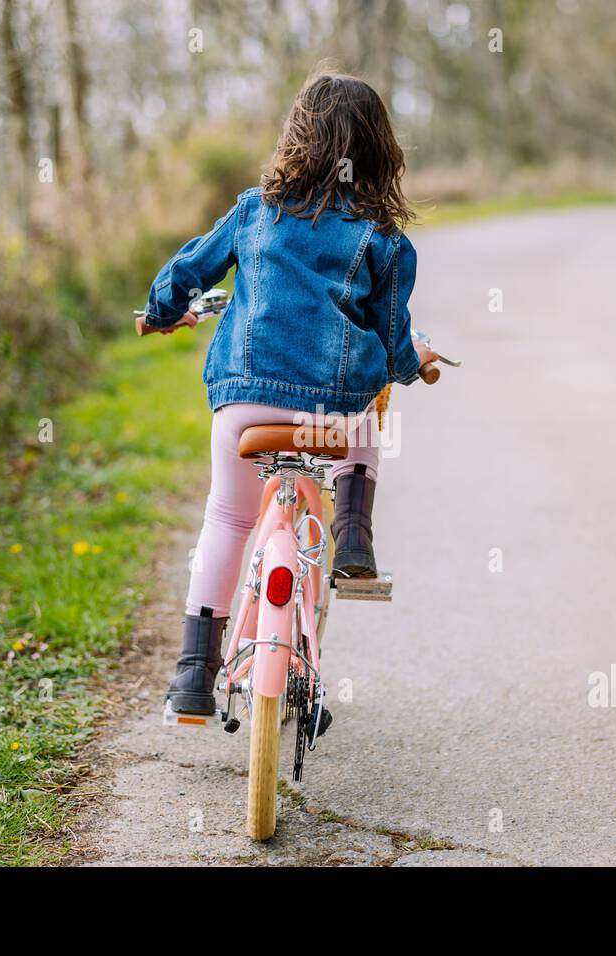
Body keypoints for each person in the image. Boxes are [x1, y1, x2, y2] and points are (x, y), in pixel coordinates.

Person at [140, 71, 437, 716]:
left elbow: (184, 274)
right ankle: (354, 535)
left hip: (246, 408)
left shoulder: (253, 212)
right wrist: (413, 363)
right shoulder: (382, 240)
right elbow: (391, 341)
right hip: (328, 416)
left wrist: (162, 312)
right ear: (381, 151)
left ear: (296, 138)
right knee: (371, 413)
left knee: (226, 518)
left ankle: (193, 673)